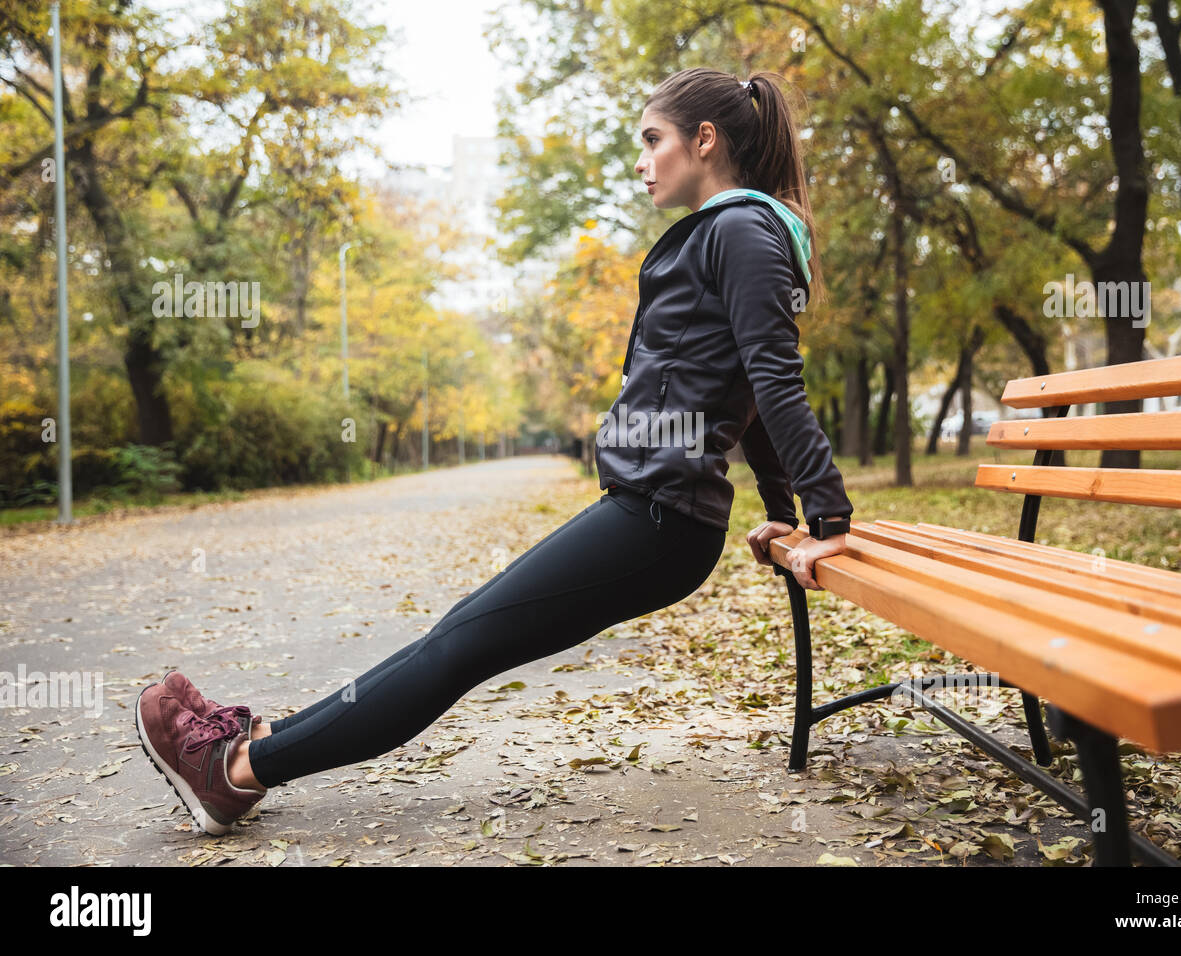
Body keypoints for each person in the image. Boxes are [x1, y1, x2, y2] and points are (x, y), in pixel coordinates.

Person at [135, 66, 855, 837]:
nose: (642, 163)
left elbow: (775, 385)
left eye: (654, 141)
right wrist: (782, 513)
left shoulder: (742, 231)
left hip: (661, 522)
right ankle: (255, 747)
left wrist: (825, 514)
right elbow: (749, 391)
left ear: (704, 141)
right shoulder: (728, 230)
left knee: (457, 650)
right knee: (455, 636)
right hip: (648, 511)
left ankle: (233, 773)